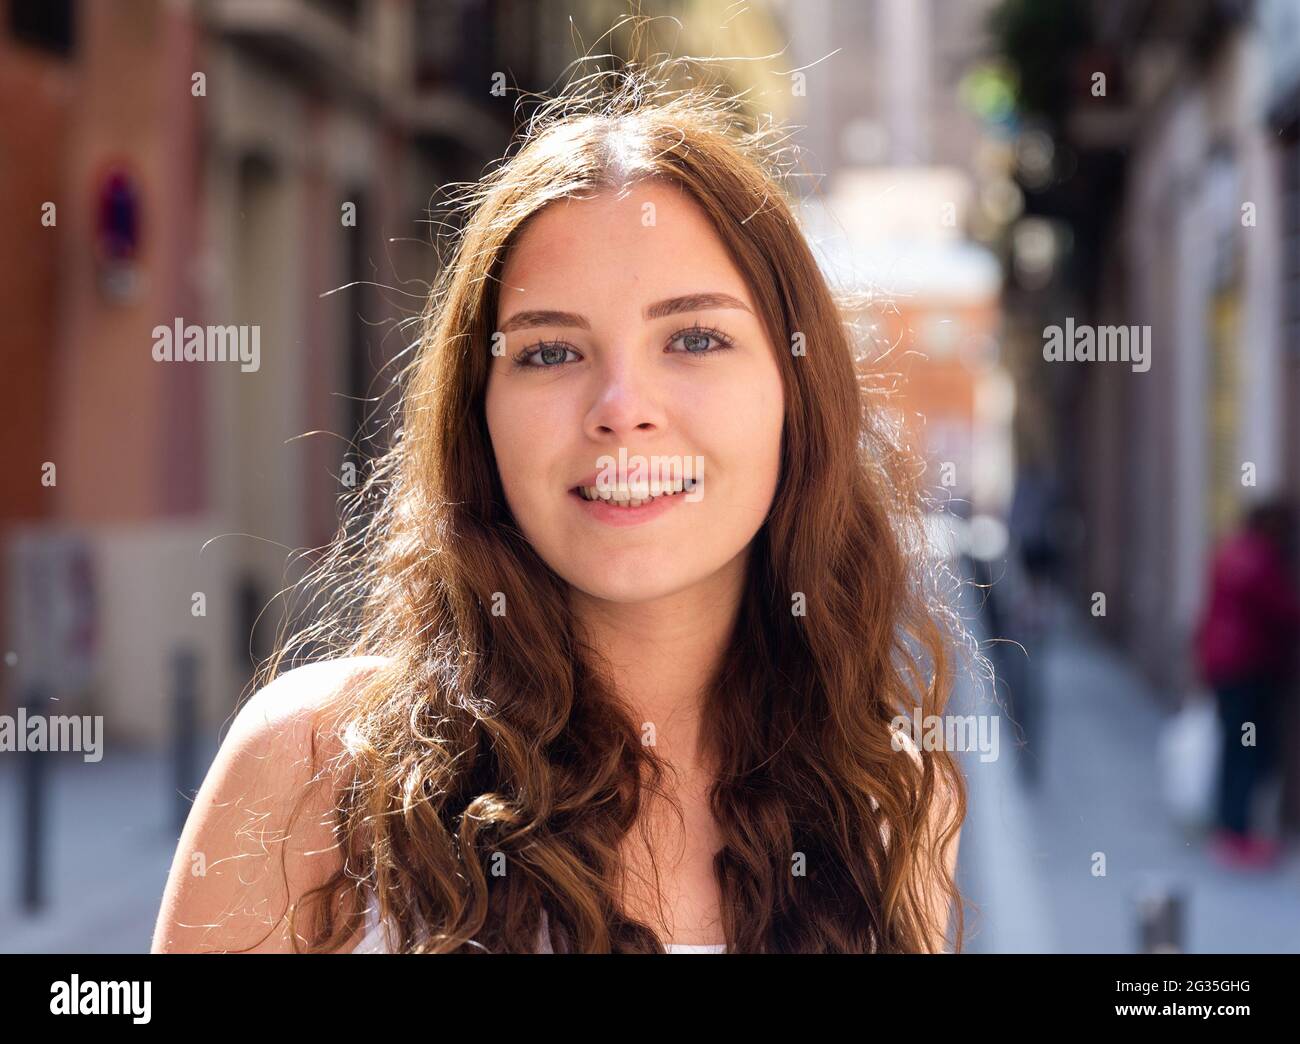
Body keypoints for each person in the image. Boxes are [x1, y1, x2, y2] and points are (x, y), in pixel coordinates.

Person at [152, 48, 967, 954]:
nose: (622, 409)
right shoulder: (311, 770)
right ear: (480, 416)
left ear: (796, 390)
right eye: (549, 351)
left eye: (694, 338)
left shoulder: (891, 797)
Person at [1194, 496, 1300, 870]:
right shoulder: (1259, 561)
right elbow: (1286, 609)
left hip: (1227, 666)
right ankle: (1237, 833)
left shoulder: (1231, 551)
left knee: (1235, 749)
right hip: (1250, 669)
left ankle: (1229, 830)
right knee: (1247, 751)